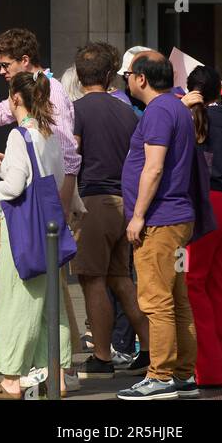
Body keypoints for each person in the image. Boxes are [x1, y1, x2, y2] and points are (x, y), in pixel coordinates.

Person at [0, 72, 74, 399]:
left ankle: (11, 380)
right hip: (49, 232)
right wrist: (9, 170)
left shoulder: (19, 136)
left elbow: (16, 186)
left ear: (16, 98)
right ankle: (56, 378)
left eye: (7, 96)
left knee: (15, 305)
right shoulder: (49, 134)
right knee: (50, 309)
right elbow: (54, 179)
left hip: (23, 235)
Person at [116, 51, 206, 400]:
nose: (125, 81)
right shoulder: (176, 107)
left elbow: (152, 168)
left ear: (141, 78)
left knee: (156, 300)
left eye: (128, 75)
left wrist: (138, 216)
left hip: (160, 221)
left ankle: (160, 376)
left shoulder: (157, 111)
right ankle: (182, 374)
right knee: (176, 297)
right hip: (178, 219)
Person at [70, 42, 149, 377]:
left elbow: (73, 155)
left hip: (94, 201)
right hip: (125, 203)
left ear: (78, 74)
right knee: (120, 279)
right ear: (108, 74)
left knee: (93, 280)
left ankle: (102, 355)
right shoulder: (127, 111)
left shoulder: (76, 111)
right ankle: (148, 348)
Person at [0, 28, 82, 213]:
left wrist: (63, 210)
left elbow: (68, 155)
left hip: (48, 201)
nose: (2, 71)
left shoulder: (52, 91)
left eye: (5, 65)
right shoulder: (26, 89)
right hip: (39, 200)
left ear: (25, 60)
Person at [180, 66, 222, 387]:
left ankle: (208, 369)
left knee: (193, 283)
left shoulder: (190, 118)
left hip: (205, 203)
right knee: (219, 283)